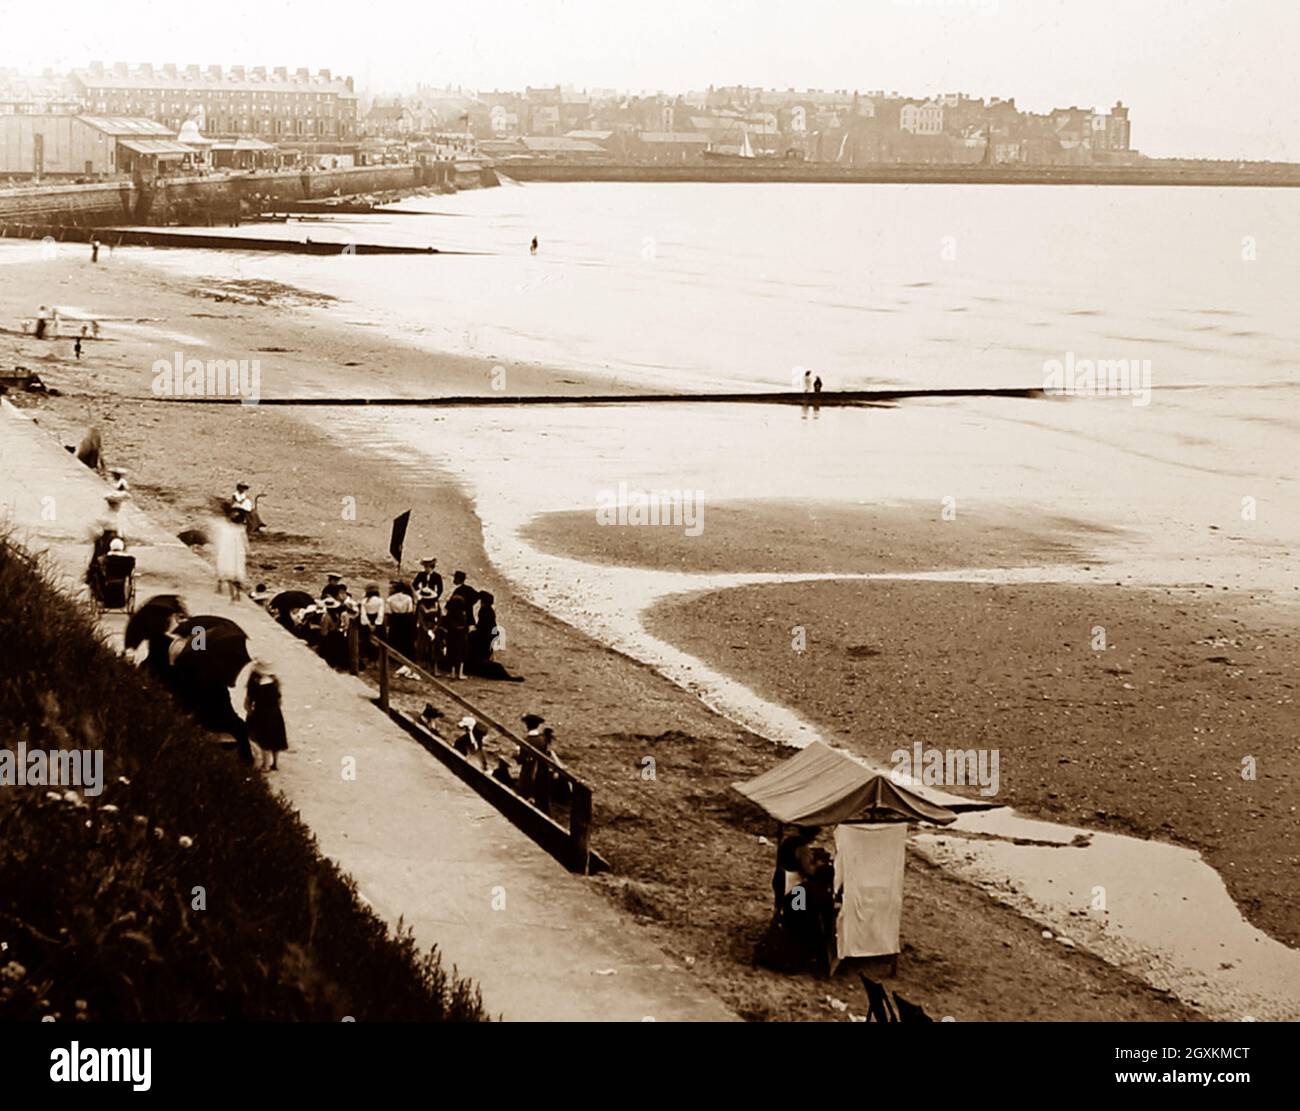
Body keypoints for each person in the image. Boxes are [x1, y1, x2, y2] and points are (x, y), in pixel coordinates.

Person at [245, 664, 287, 771]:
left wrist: (249, 712)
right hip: (275, 712)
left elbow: (248, 701)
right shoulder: (275, 682)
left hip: (261, 712)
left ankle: (265, 764)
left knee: (262, 737)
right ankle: (275, 763)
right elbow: (279, 700)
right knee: (276, 738)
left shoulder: (254, 682)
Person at [211, 509, 248, 602]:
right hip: (236, 555)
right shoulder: (240, 530)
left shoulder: (226, 528)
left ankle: (221, 589)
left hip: (228, 554)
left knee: (226, 572)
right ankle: (235, 595)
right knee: (235, 574)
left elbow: (219, 540)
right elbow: (245, 543)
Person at [384, 581, 417, 663]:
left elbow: (388, 612)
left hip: (395, 619)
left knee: (394, 637)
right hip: (406, 619)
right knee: (406, 639)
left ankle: (394, 657)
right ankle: (407, 656)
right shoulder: (408, 598)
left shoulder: (390, 599)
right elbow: (410, 610)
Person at [441, 590, 471, 679]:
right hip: (461, 638)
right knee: (461, 655)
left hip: (451, 637)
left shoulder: (449, 615)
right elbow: (466, 627)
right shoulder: (463, 615)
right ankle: (460, 673)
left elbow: (446, 625)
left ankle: (453, 672)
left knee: (452, 655)